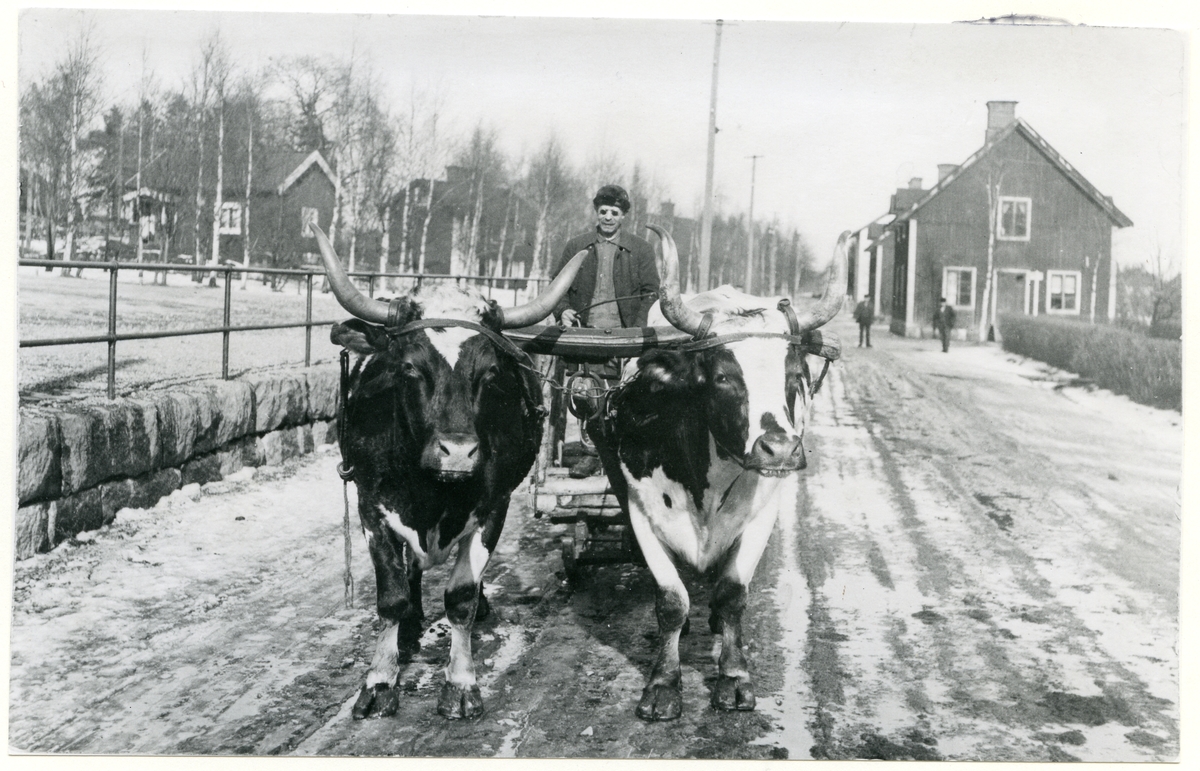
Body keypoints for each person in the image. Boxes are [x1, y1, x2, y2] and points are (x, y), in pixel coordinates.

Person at [549, 184, 661, 477]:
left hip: (625, 337)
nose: (608, 217)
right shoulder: (577, 246)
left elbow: (651, 291)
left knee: (623, 395)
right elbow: (556, 286)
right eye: (603, 212)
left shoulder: (641, 249)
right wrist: (563, 310)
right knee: (585, 394)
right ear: (596, 213)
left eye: (614, 212)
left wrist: (637, 326)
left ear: (623, 216)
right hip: (585, 334)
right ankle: (592, 454)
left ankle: (623, 457)